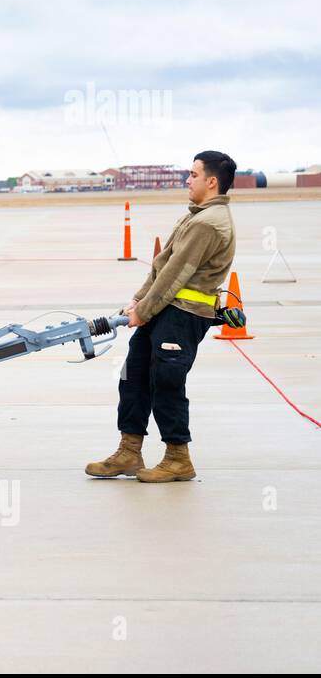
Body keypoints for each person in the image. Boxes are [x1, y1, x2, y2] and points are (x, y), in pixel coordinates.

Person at [87, 151, 238, 483]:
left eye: (193, 175)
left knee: (167, 383)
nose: (188, 180)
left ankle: (177, 458)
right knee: (133, 375)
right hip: (163, 311)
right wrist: (138, 301)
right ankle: (129, 452)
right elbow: (162, 265)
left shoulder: (208, 224)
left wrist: (143, 310)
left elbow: (175, 275)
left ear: (212, 182)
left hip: (183, 317)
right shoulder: (194, 217)